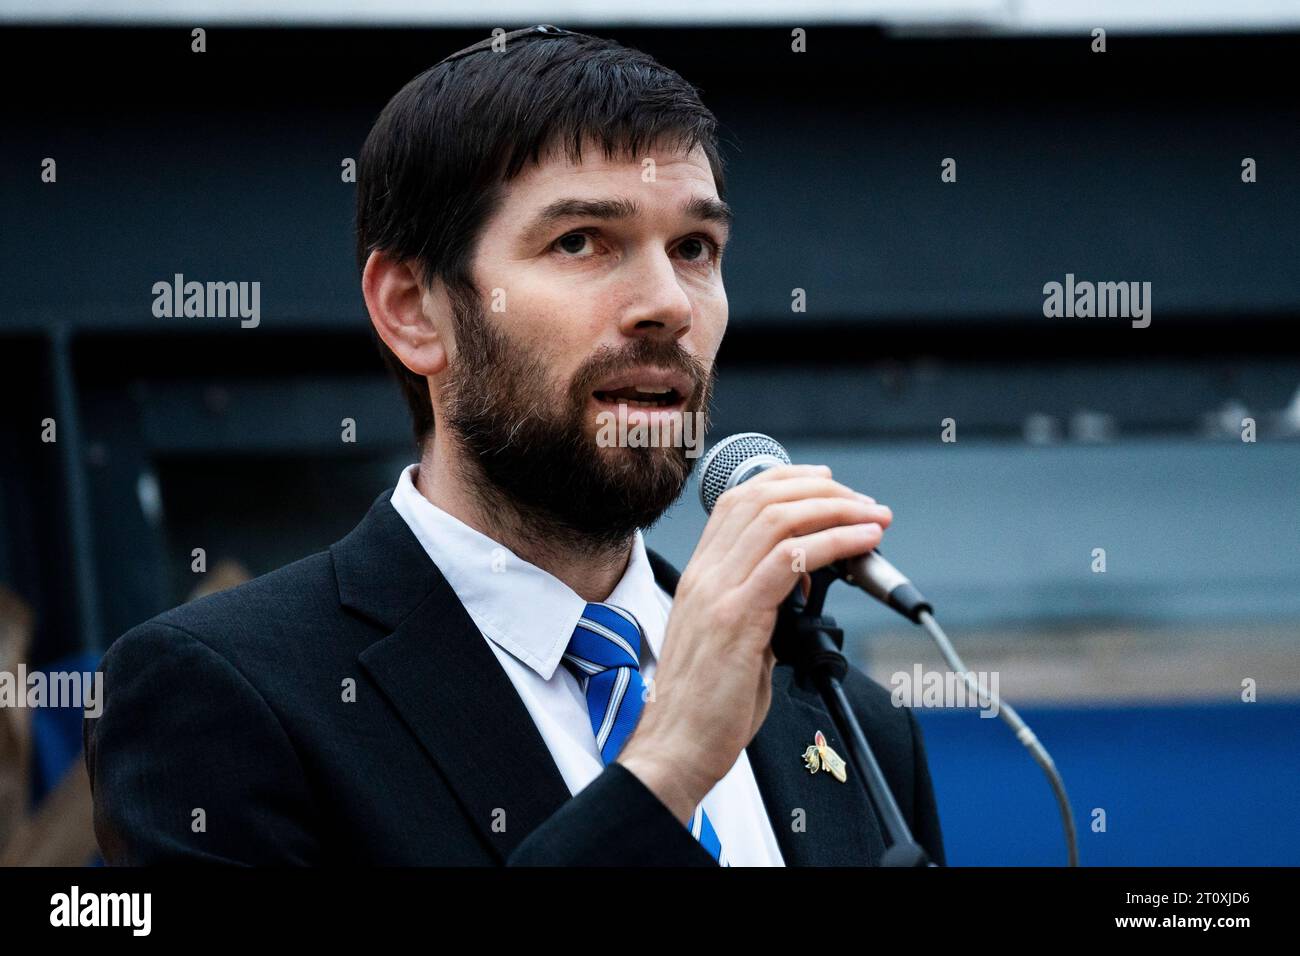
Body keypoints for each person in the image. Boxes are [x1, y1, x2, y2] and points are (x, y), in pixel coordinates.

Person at [84, 24, 945, 866]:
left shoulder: (847, 722)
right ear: (414, 311)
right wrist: (664, 770)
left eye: (694, 248)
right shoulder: (226, 695)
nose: (668, 304)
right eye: (581, 242)